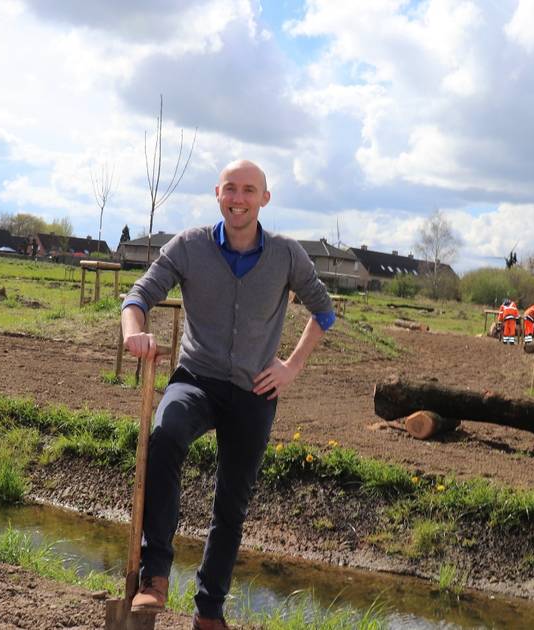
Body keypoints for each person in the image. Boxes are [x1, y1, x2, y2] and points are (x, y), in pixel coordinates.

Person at [120, 159, 335, 630]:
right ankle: (155, 576)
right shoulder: (190, 246)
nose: (239, 198)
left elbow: (324, 312)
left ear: (264, 198)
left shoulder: (288, 255)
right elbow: (138, 296)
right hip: (196, 378)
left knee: (231, 504)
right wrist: (133, 331)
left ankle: (209, 611)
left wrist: (290, 366)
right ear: (218, 194)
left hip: (255, 390)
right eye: (231, 189)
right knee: (166, 434)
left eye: (249, 190)